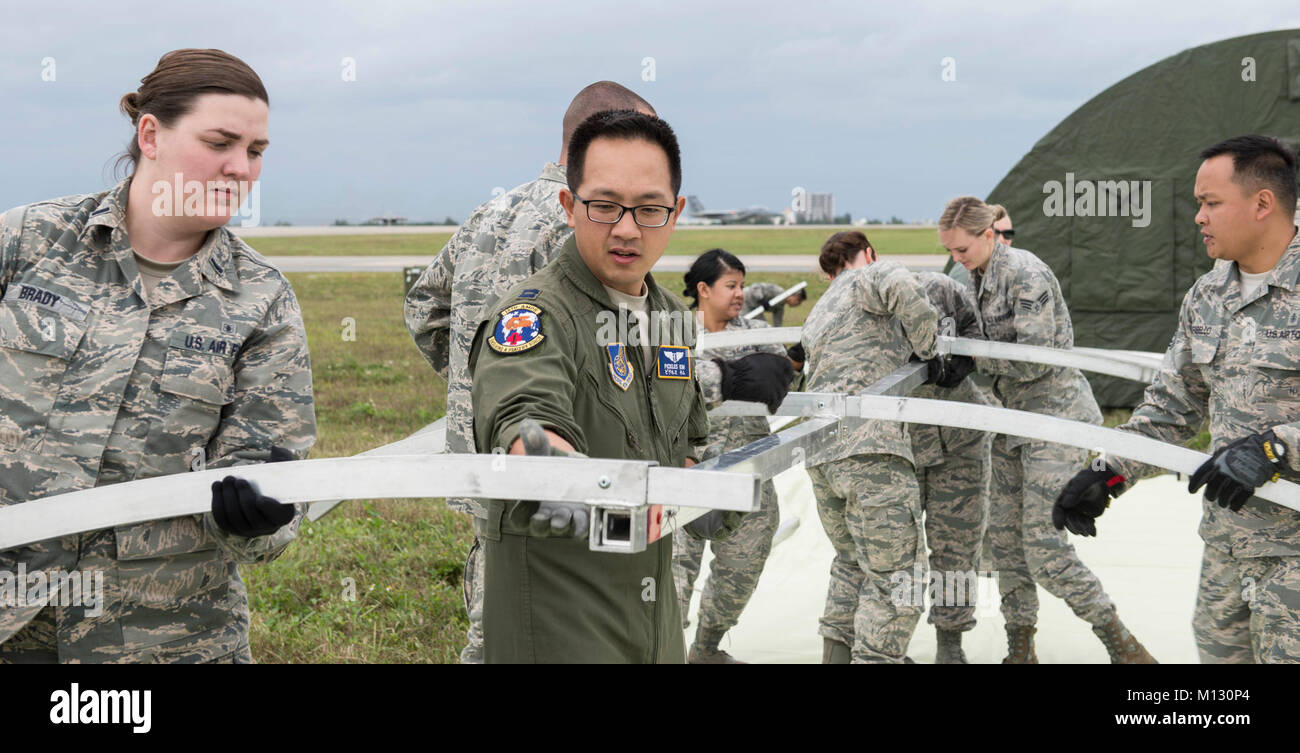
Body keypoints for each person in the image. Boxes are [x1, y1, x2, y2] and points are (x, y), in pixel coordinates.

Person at [0, 49, 316, 664]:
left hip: (160, 640)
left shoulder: (262, 301)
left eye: (255, 151)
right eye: (220, 142)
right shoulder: (27, 243)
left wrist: (260, 517)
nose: (240, 169)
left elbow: (274, 503)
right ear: (151, 134)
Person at [470, 110, 777, 663]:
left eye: (649, 208)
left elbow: (682, 447)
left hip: (654, 615)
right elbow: (524, 414)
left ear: (676, 212)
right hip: (561, 619)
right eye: (605, 205)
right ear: (570, 207)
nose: (627, 228)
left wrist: (708, 492)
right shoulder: (536, 315)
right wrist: (552, 470)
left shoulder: (669, 319)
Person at [403, 82, 654, 663]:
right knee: (561, 631)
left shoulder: (490, 212)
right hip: (564, 468)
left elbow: (424, 310)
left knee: (496, 623)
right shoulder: (594, 225)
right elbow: (624, 355)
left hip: (483, 462)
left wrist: (476, 389)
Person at [1054, 135, 1300, 663]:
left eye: (1211, 203)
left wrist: (1277, 448)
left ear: (1262, 204)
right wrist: (1109, 472)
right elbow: (1173, 405)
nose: (1199, 217)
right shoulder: (1209, 296)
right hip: (1227, 546)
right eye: (1198, 204)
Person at [940, 195, 1153, 663]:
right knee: (1004, 541)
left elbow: (1035, 357)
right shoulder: (976, 276)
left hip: (1052, 420)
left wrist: (970, 356)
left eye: (962, 250)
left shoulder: (1025, 274)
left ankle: (1123, 645)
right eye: (951, 252)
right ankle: (1021, 649)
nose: (957, 260)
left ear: (989, 235)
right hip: (1010, 422)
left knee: (1043, 547)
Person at [801, 230, 954, 663]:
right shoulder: (871, 273)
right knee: (896, 579)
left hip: (821, 454)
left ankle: (837, 656)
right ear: (867, 253)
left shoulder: (820, 308)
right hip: (871, 452)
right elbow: (906, 289)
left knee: (852, 561)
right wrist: (930, 350)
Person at [673, 249, 793, 664]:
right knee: (674, 574)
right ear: (704, 290)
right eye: (731, 286)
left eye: (742, 285)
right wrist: (741, 378)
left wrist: (717, 380)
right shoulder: (674, 332)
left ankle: (705, 649)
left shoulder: (755, 332)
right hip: (686, 470)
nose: (740, 293)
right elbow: (668, 389)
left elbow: (779, 378)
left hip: (749, 472)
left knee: (741, 569)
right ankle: (666, 650)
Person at [909, 266, 993, 664]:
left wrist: (966, 361)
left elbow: (978, 335)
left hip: (961, 435)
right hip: (901, 438)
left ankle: (950, 644)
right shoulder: (868, 304)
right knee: (898, 552)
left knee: (957, 544)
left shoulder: (942, 289)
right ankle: (892, 642)